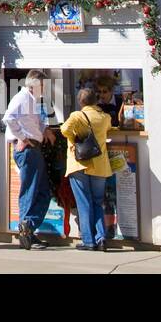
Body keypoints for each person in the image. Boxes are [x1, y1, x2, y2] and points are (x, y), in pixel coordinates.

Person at [4, 69, 55, 250]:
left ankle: (29, 229)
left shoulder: (31, 100)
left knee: (41, 191)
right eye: (42, 86)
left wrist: (45, 129)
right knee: (31, 191)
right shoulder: (22, 98)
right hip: (28, 149)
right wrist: (22, 138)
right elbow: (8, 118)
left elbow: (35, 121)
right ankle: (26, 233)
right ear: (35, 85)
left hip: (33, 147)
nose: (44, 89)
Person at [60, 87, 113, 251]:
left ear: (80, 102)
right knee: (98, 202)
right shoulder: (105, 117)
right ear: (96, 100)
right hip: (100, 165)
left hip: (80, 164)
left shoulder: (77, 116)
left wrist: (75, 138)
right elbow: (108, 129)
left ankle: (89, 241)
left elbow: (64, 130)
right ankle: (101, 237)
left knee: (84, 203)